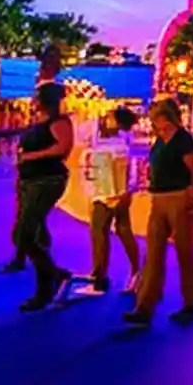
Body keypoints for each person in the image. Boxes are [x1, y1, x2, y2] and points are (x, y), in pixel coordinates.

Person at [124, 98, 193, 328]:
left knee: (184, 252)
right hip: (158, 198)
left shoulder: (183, 140)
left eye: (156, 118)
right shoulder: (159, 140)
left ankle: (190, 303)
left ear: (166, 118)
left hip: (179, 197)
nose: (153, 122)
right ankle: (145, 305)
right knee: (153, 252)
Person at [13, 82, 75, 311]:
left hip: (47, 180)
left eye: (37, 96)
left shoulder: (58, 122)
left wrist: (32, 156)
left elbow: (62, 148)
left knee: (25, 234)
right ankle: (52, 276)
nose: (33, 99)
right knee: (29, 232)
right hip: (30, 181)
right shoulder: (39, 122)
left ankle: (48, 283)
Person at [75, 107, 141, 296]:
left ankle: (99, 280)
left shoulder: (113, 141)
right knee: (122, 229)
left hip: (106, 192)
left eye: (110, 117)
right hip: (115, 191)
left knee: (100, 232)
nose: (105, 118)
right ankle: (137, 272)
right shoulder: (119, 139)